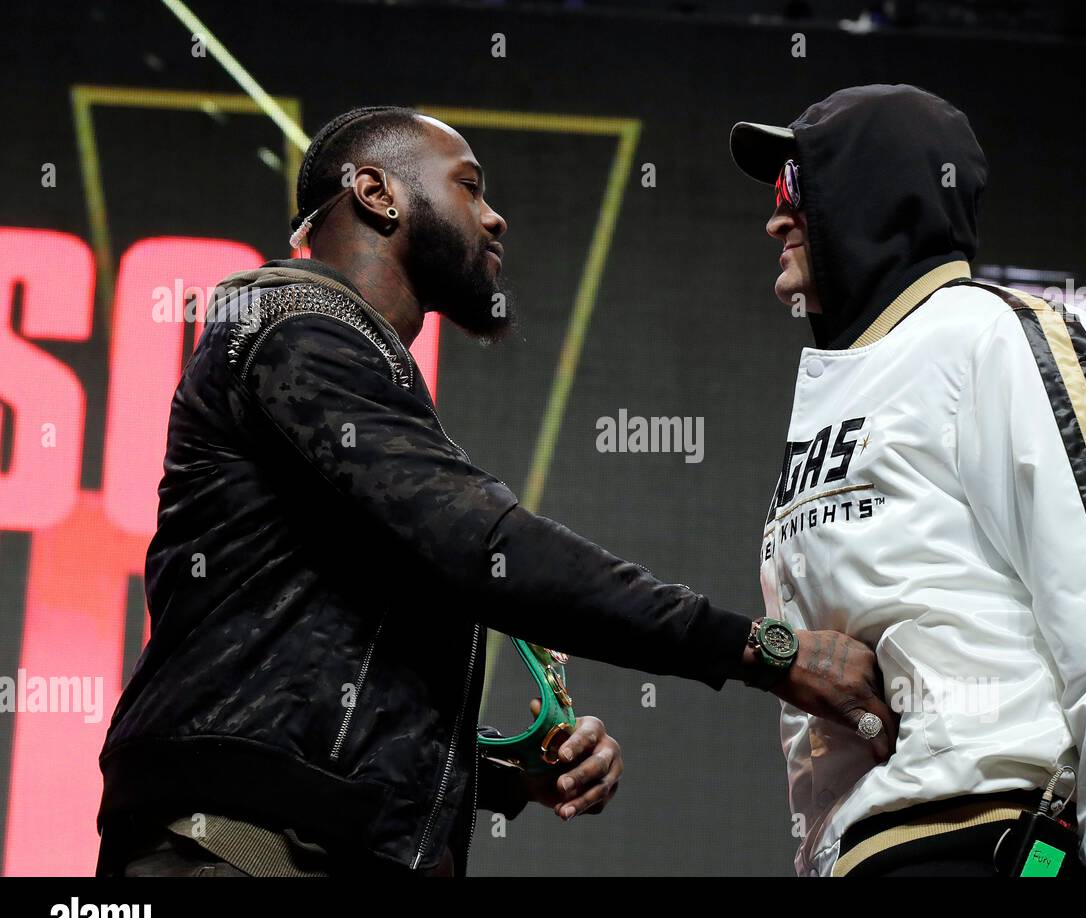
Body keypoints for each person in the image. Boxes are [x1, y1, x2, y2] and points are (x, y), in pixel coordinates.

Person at [94, 106, 898, 878]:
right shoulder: (295, 327)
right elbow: (486, 546)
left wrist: (510, 774)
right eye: (469, 185)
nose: (494, 217)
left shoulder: (357, 372)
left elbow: (321, 700)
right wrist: (760, 650)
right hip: (237, 849)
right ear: (377, 194)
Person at [728, 84, 1086, 876]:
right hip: (864, 853)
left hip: (983, 840)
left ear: (874, 193)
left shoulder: (1003, 338)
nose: (776, 218)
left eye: (797, 188)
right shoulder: (833, 393)